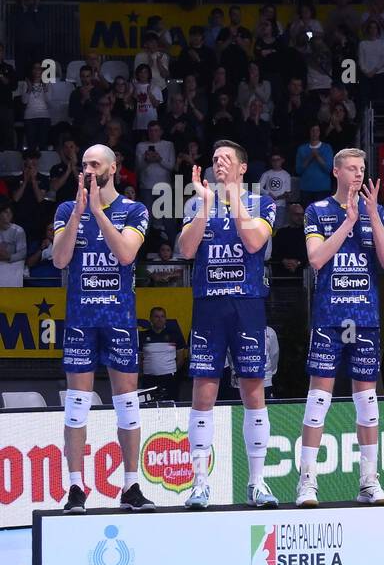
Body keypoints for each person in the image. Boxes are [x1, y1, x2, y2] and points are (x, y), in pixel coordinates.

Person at [51, 147, 154, 512]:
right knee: (76, 406)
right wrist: (81, 212)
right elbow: (60, 259)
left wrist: (98, 211)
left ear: (114, 167)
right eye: (84, 165)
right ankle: (76, 487)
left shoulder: (134, 210)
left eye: (96, 164)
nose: (89, 170)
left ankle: (131, 486)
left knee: (126, 404)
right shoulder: (67, 210)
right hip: (81, 318)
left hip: (119, 318)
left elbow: (126, 254)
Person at [176, 141, 277, 508]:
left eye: (226, 159)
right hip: (208, 306)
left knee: (253, 391)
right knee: (203, 392)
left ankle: (257, 482)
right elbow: (186, 251)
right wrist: (204, 205)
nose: (218, 163)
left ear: (242, 167)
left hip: (247, 306)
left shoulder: (262, 204)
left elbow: (252, 243)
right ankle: (199, 484)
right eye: (214, 158)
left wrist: (232, 200)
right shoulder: (194, 203)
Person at [295, 149, 384, 507]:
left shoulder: (376, 210)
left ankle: (369, 481)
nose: (358, 174)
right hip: (329, 317)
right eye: (352, 168)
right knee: (318, 400)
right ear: (336, 171)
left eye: (362, 169)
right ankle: (307, 482)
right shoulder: (317, 211)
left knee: (367, 401)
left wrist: (370, 215)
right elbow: (316, 258)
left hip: (365, 318)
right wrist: (348, 222)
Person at [139, 306, 188, 403]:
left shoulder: (174, 334)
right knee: (148, 407)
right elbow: (139, 359)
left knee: (170, 405)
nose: (160, 319)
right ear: (151, 319)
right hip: (149, 378)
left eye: (162, 316)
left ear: (165, 319)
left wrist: (171, 371)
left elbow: (181, 358)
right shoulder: (142, 336)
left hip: (169, 379)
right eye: (156, 316)